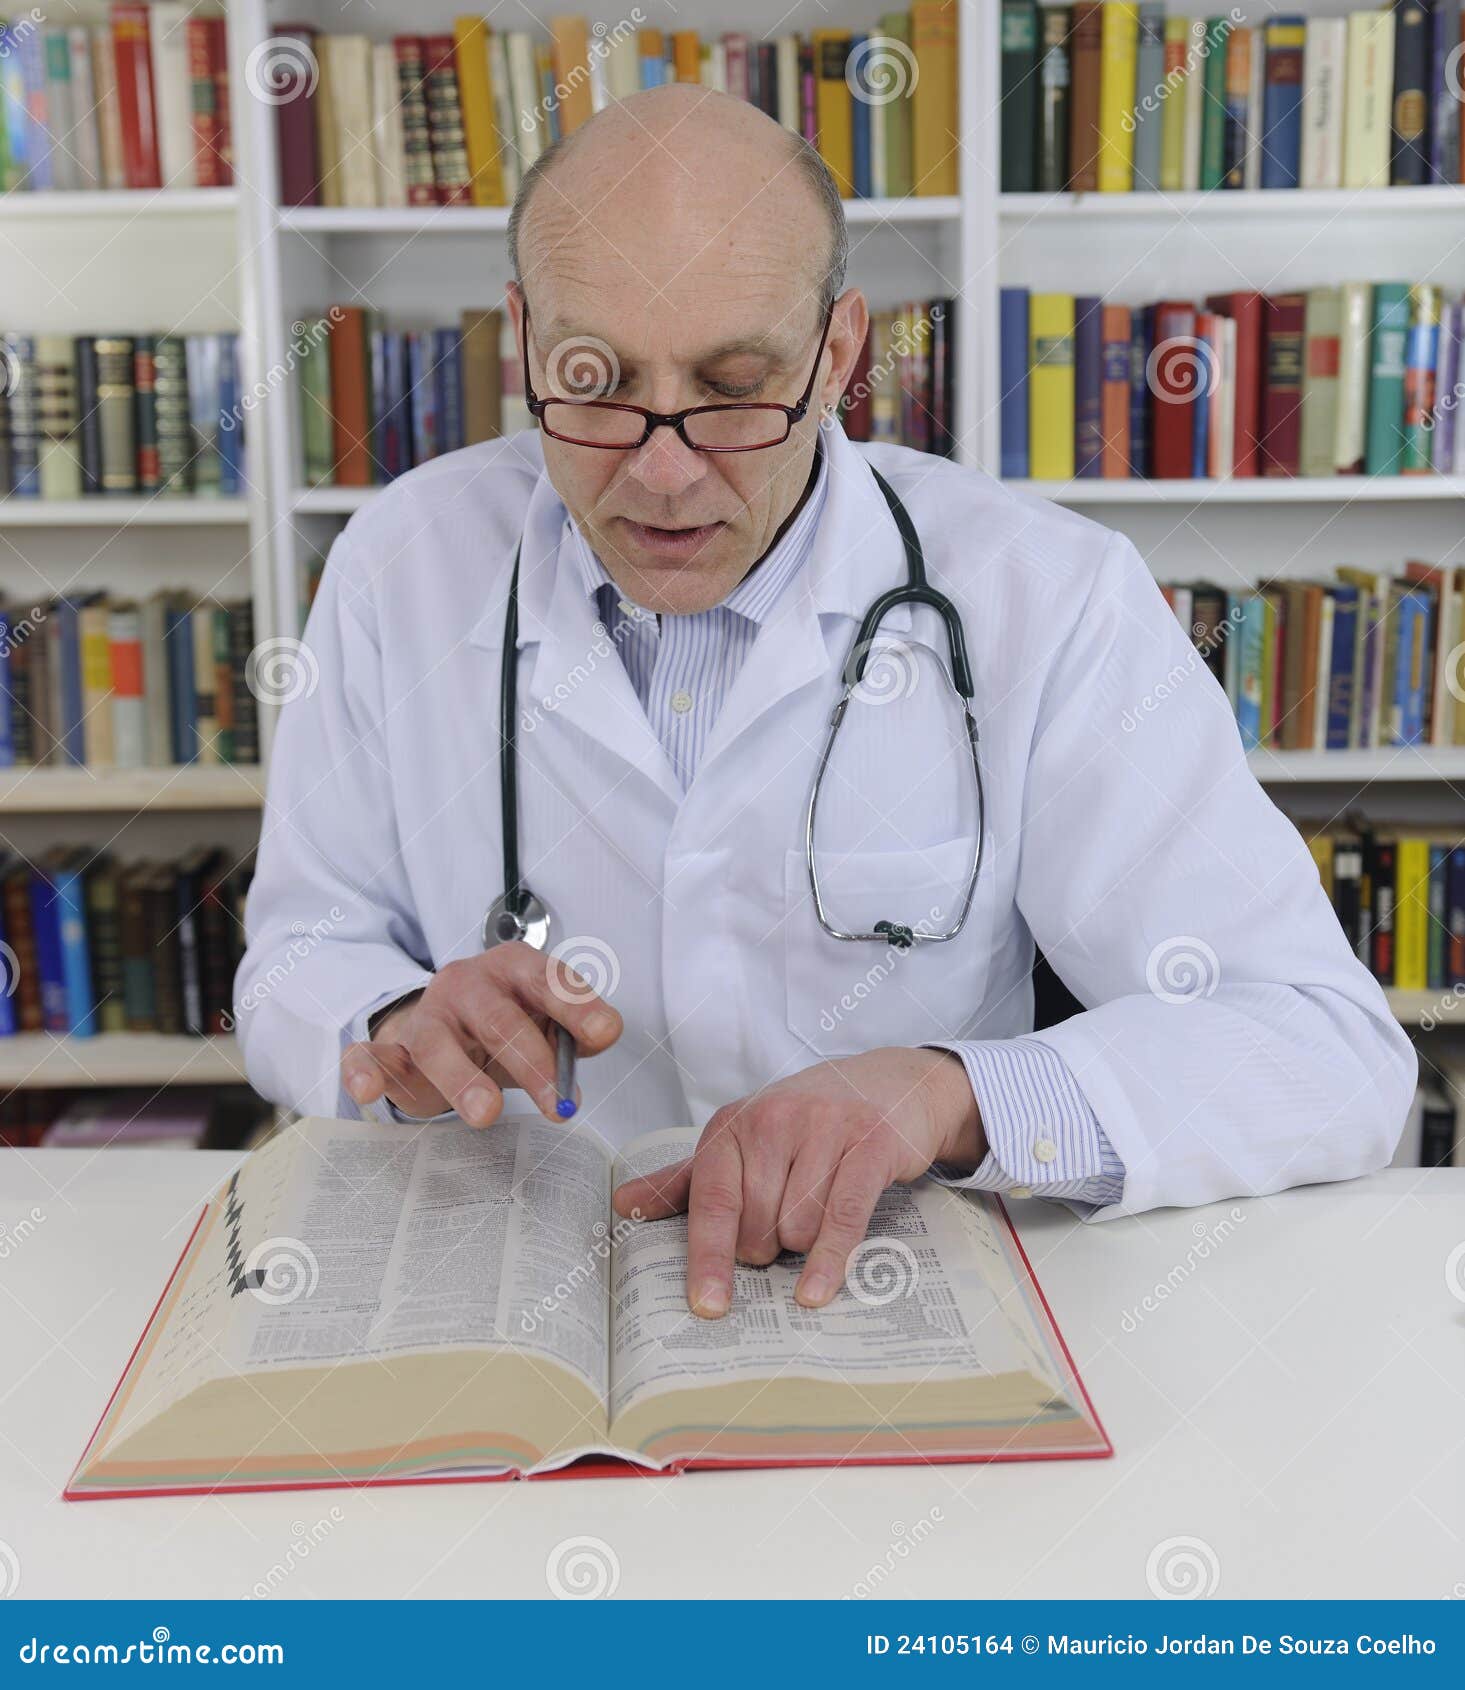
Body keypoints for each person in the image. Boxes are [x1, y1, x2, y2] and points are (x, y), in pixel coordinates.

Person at [235, 84, 1415, 1321]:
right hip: (513, 1310)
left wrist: (949, 1096)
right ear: (522, 337)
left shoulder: (1045, 596)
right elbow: (293, 959)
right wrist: (397, 1015)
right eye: (595, 381)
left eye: (734, 386)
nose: (664, 466)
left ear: (839, 352)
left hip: (891, 1306)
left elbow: (1318, 1046)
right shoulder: (398, 565)